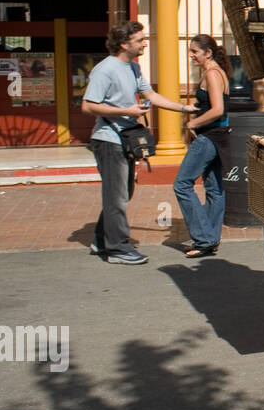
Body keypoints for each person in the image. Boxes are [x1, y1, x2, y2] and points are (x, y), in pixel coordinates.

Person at [81, 21, 196, 265]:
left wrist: (185, 108)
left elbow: (151, 95)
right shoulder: (106, 69)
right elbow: (88, 105)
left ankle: (101, 240)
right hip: (109, 139)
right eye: (140, 40)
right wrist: (126, 110)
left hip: (124, 139)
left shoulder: (133, 67)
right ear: (124, 44)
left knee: (123, 193)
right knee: (117, 196)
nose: (145, 43)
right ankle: (117, 249)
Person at [174, 35, 231, 258]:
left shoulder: (212, 73)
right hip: (219, 136)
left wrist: (192, 123)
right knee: (214, 189)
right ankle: (210, 239)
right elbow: (211, 104)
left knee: (182, 184)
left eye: (194, 51)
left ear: (207, 53)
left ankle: (204, 238)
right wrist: (192, 108)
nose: (191, 55)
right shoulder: (216, 72)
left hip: (209, 137)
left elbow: (217, 110)